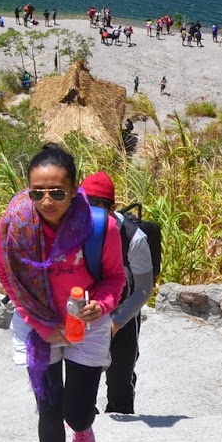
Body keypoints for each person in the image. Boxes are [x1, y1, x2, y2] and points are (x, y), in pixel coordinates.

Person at [0, 144, 124, 442]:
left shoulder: (100, 226)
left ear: (74, 188)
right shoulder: (15, 224)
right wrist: (41, 325)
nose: (47, 202)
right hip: (38, 324)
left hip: (87, 322)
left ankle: (82, 427)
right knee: (48, 407)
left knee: (77, 411)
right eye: (37, 193)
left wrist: (102, 304)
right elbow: (6, 275)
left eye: (57, 193)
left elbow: (115, 278)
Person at [80, 172, 155, 415]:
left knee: (120, 379)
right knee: (82, 378)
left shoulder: (134, 239)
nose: (91, 215)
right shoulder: (74, 229)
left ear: (112, 208)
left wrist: (117, 322)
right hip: (86, 311)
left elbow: (143, 289)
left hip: (124, 312)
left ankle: (122, 424)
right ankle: (85, 421)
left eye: (98, 208)